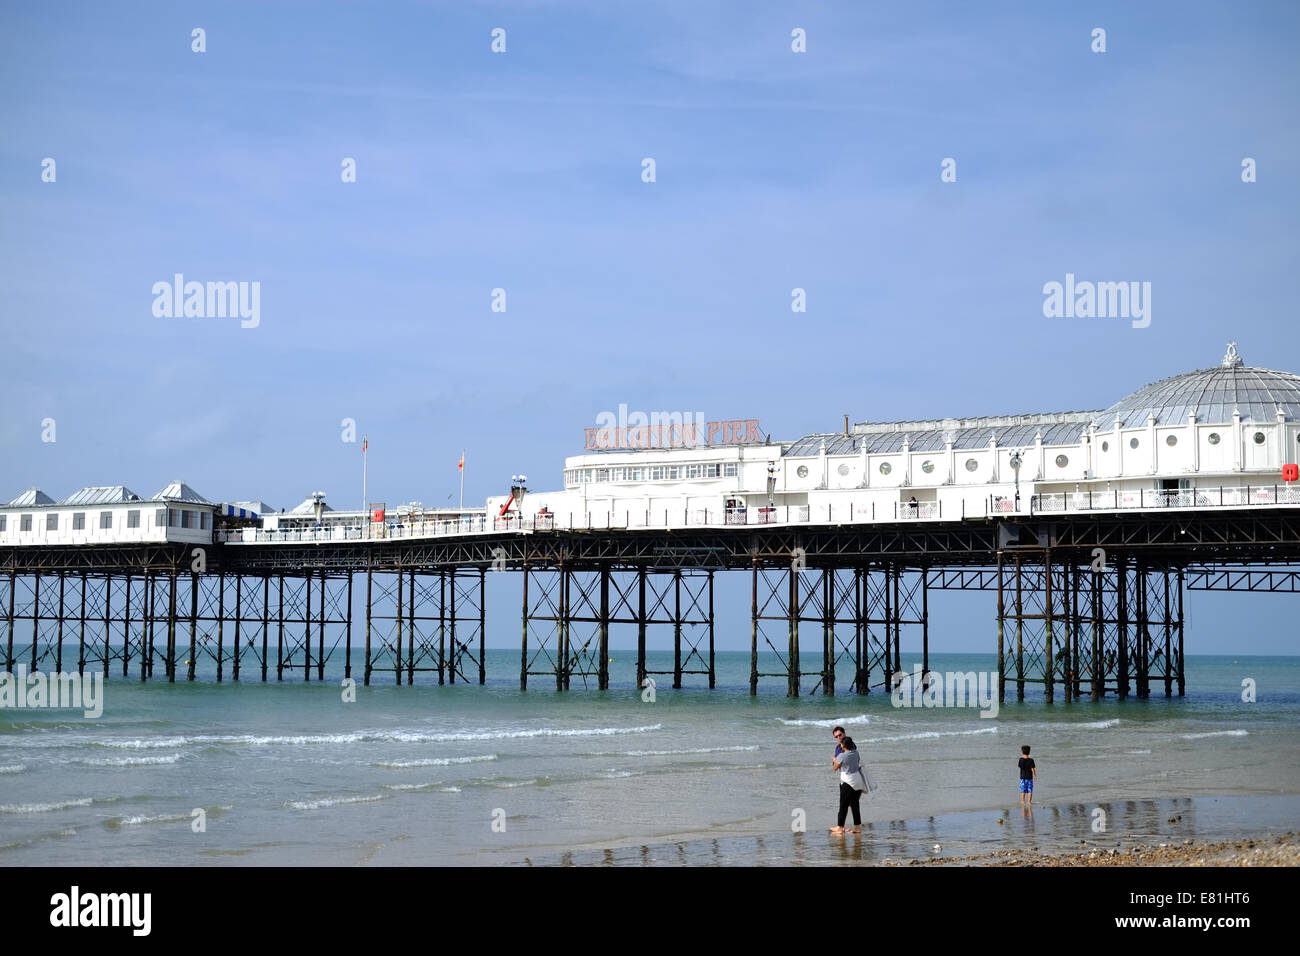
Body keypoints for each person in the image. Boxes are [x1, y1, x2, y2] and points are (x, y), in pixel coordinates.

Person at [830, 732, 868, 834]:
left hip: (847, 782)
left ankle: (840, 827)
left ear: (843, 745)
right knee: (855, 804)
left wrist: (835, 760)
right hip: (858, 781)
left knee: (843, 805)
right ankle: (857, 827)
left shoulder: (842, 755)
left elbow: (835, 768)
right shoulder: (856, 753)